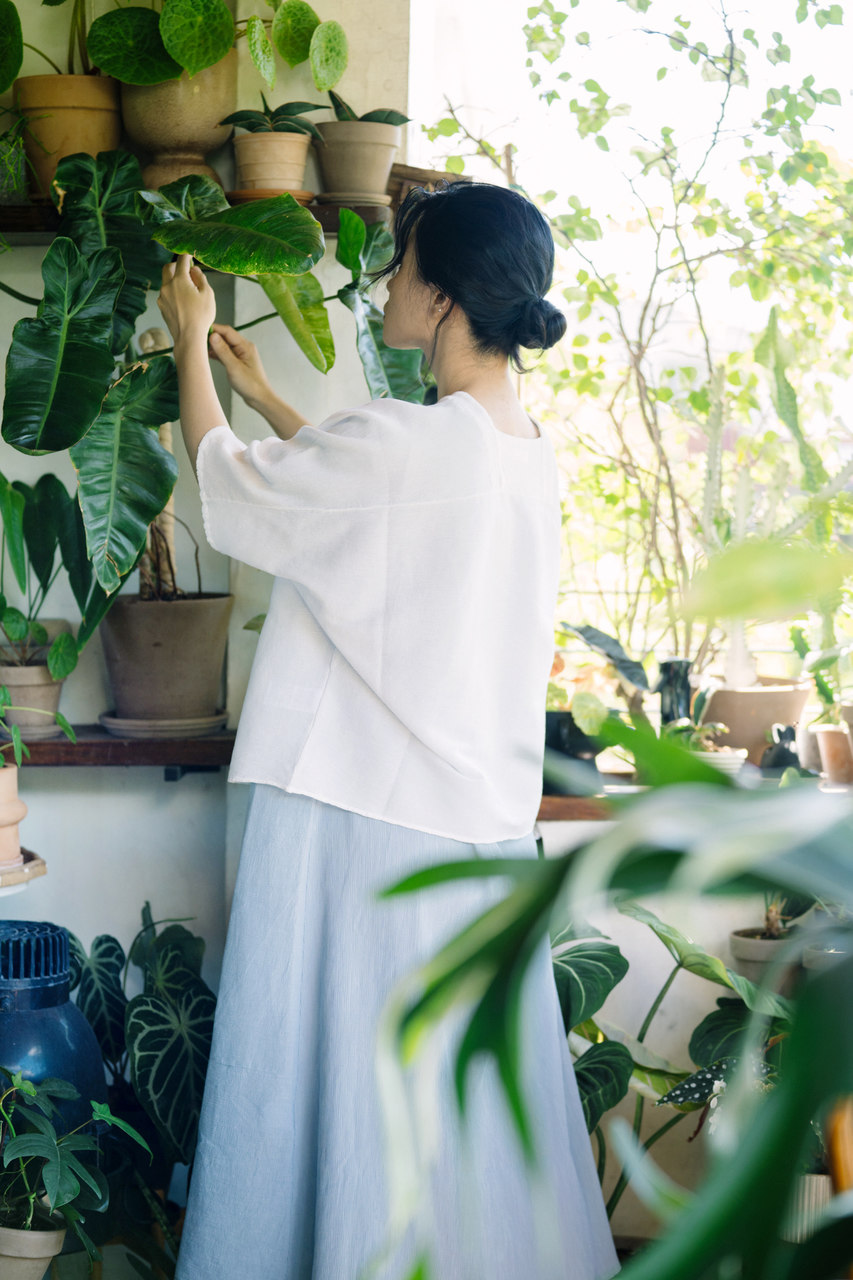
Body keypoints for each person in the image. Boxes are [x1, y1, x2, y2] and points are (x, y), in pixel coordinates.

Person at [157, 181, 619, 1280]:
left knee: (327, 1090)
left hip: (352, 821)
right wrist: (267, 389)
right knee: (439, 1113)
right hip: (469, 833)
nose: (388, 284)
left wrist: (186, 341)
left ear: (445, 296)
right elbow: (368, 496)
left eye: (402, 266)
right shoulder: (521, 450)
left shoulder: (408, 445)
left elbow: (234, 492)